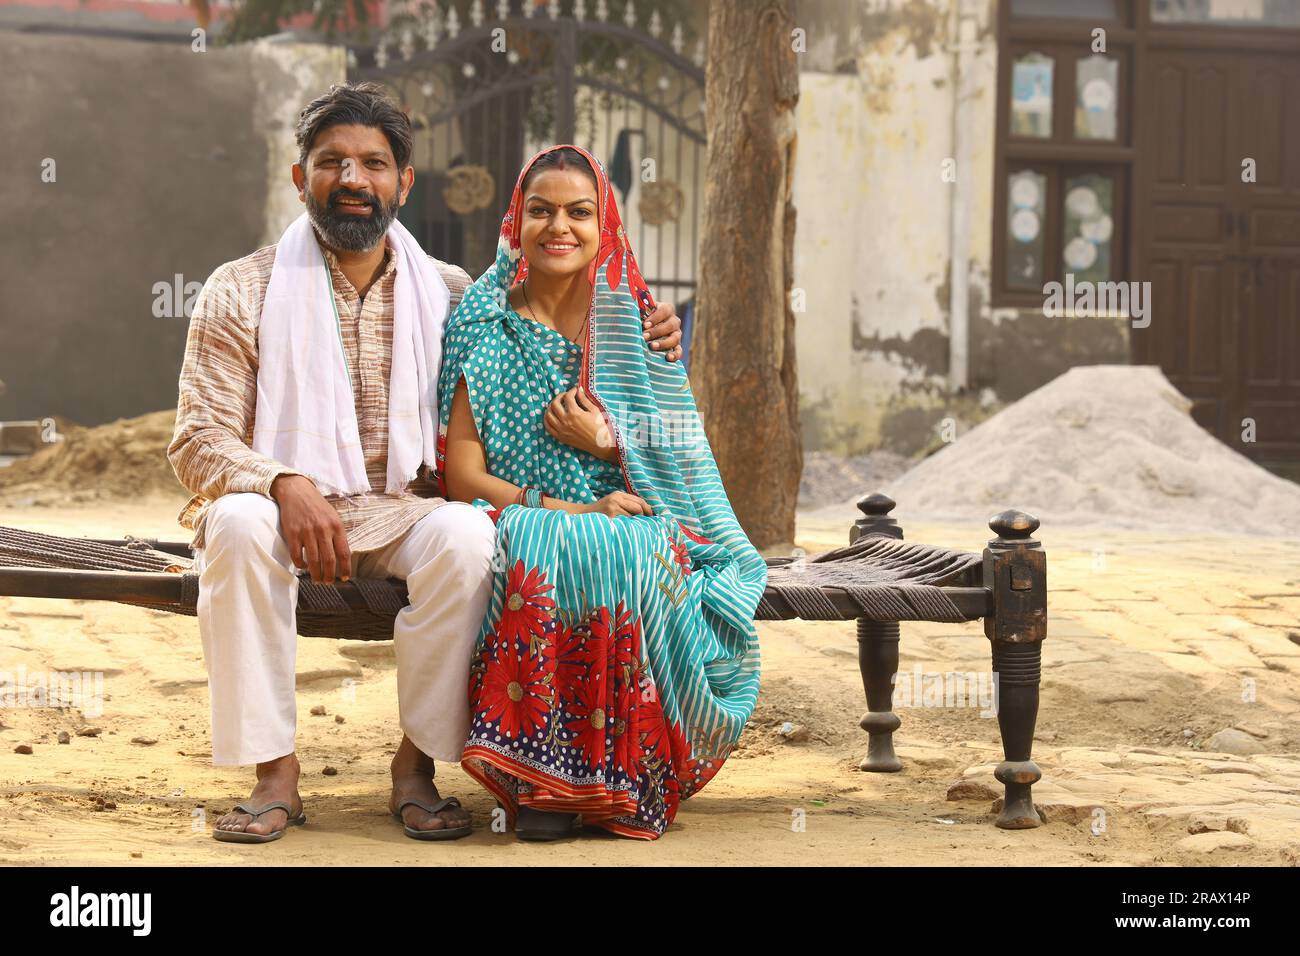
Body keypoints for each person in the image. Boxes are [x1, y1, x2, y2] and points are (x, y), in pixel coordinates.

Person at [166, 84, 684, 844]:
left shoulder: (450, 292)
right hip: (282, 508)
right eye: (332, 162)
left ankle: (416, 767)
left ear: (403, 183)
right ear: (299, 176)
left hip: (404, 507)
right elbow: (197, 439)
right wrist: (283, 481)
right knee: (239, 523)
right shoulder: (239, 288)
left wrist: (645, 323)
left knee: (468, 537)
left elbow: (548, 323)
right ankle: (275, 775)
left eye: (374, 163)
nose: (353, 179)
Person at [437, 144, 766, 841]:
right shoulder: (481, 324)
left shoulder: (638, 326)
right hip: (519, 510)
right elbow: (462, 476)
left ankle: (619, 782)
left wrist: (611, 445)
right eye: (542, 211)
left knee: (623, 549)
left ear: (604, 223)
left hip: (639, 517)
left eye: (579, 212)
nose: (561, 227)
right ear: (515, 223)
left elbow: (682, 459)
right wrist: (568, 506)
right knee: (558, 541)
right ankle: (542, 782)